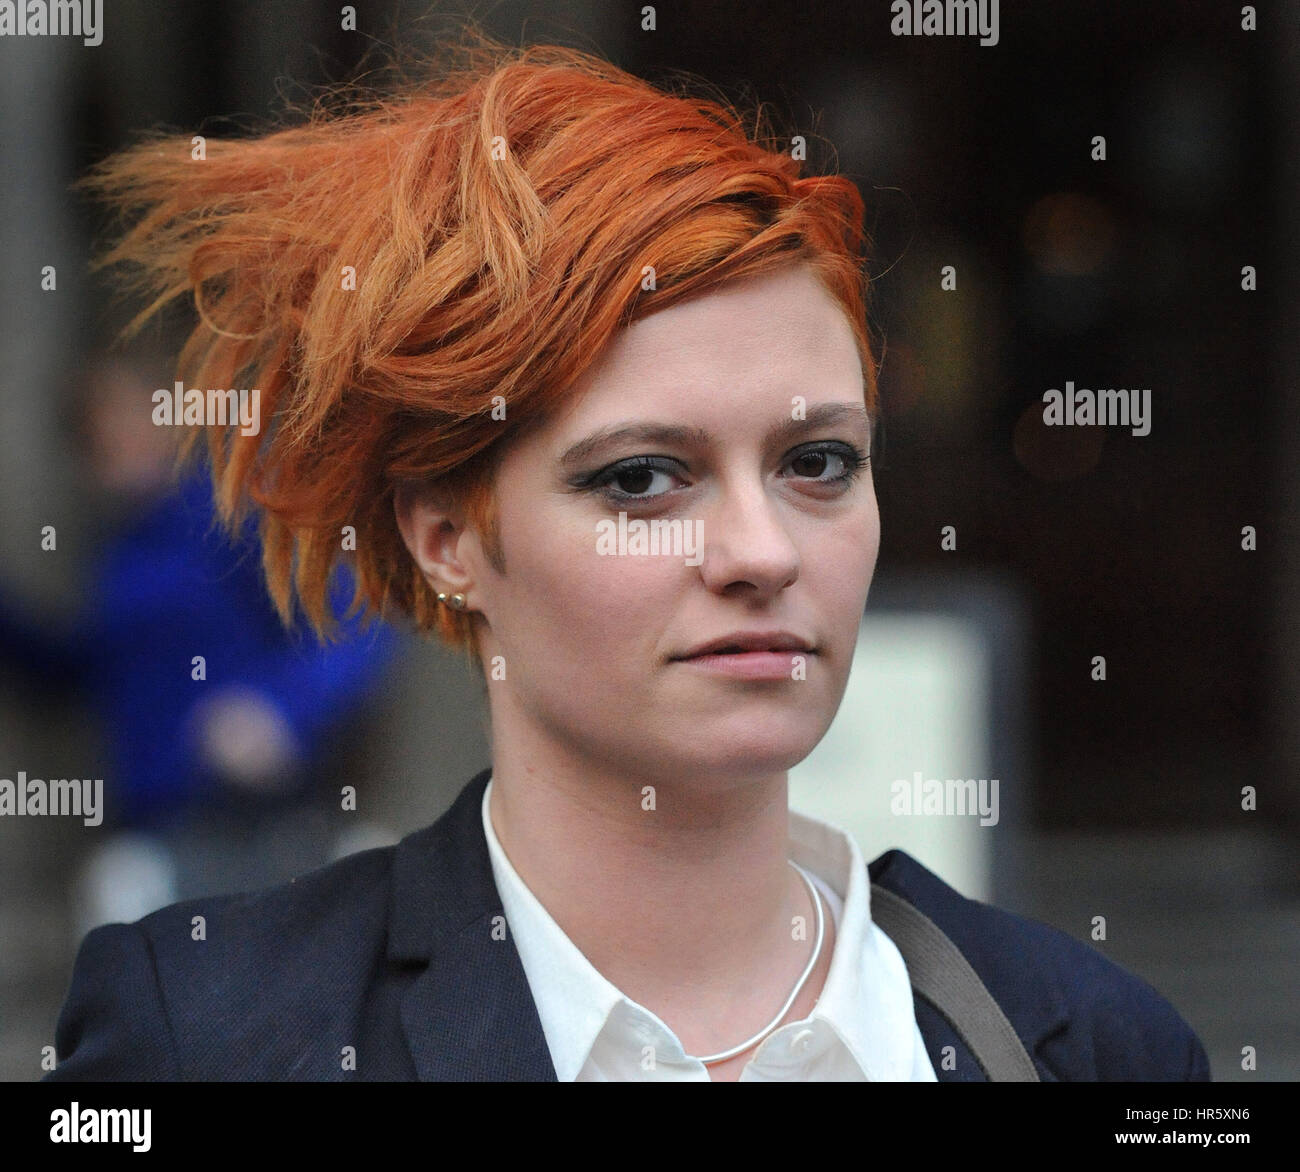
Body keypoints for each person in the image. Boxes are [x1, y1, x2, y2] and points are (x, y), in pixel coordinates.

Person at [44, 29, 1209, 1082]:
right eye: (641, 477)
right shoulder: (202, 1032)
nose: (760, 551)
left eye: (817, 462)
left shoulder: (1095, 1043)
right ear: (444, 533)